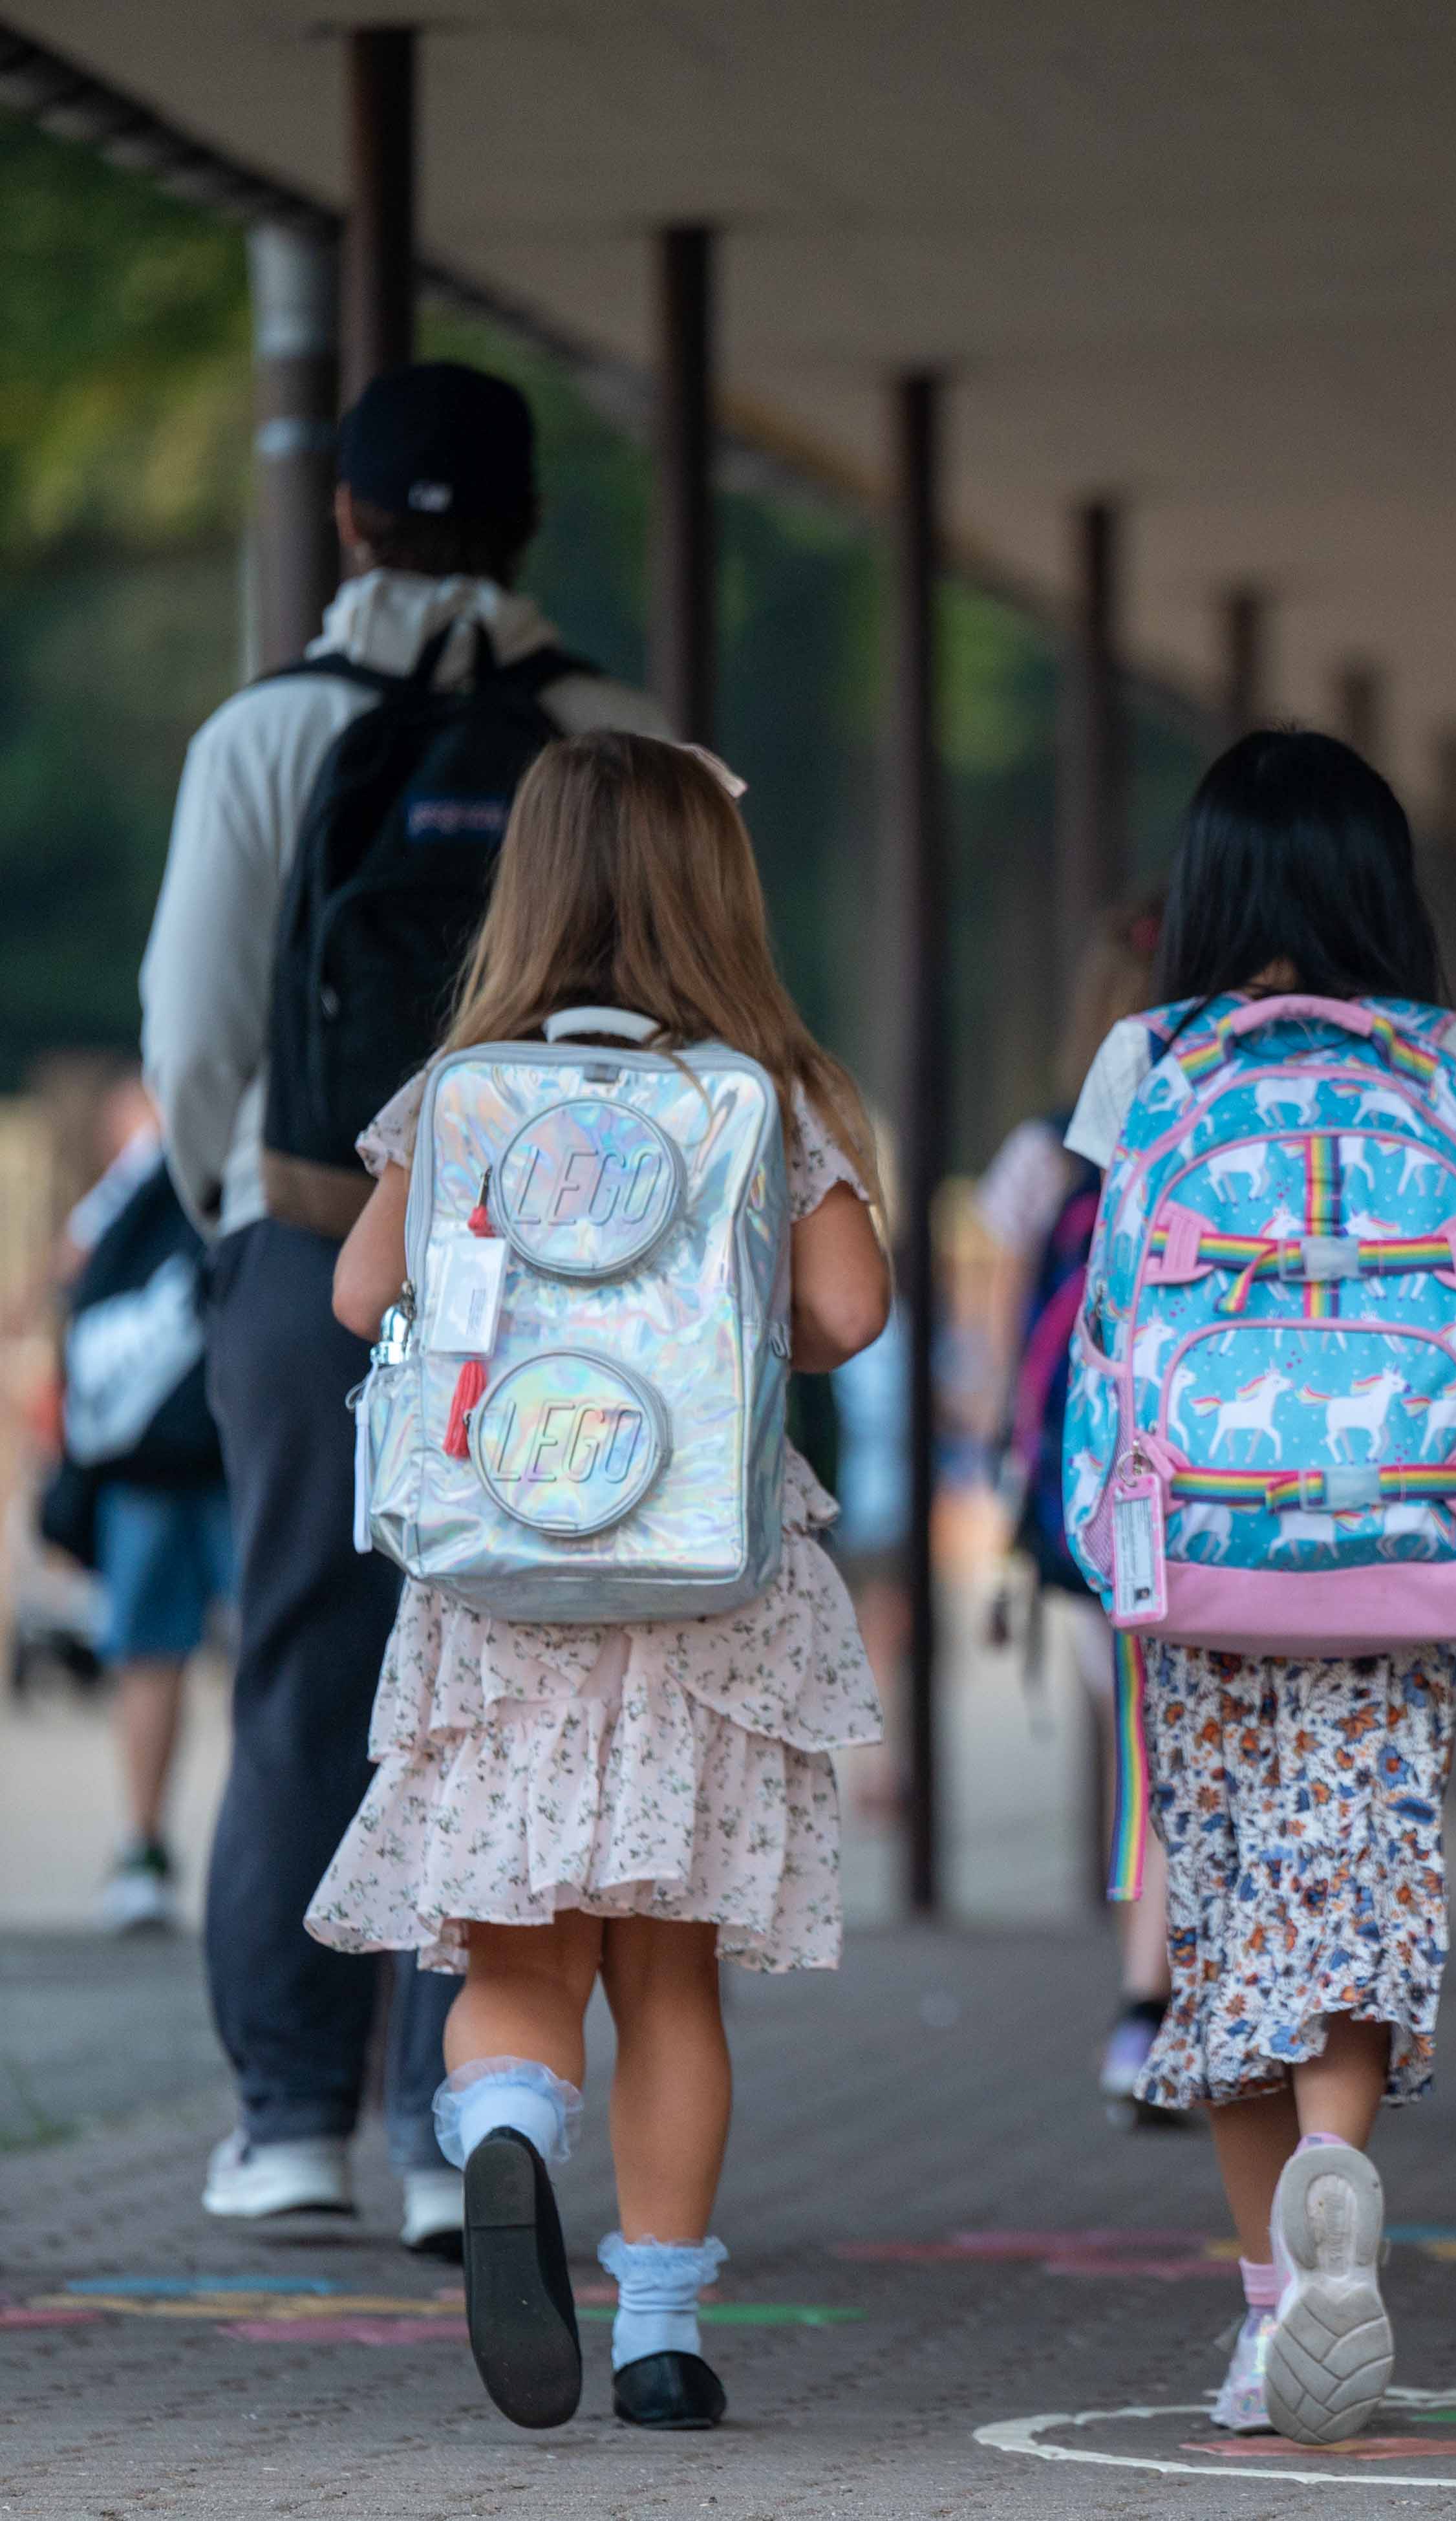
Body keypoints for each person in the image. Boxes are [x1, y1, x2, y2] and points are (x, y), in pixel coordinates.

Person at [140, 362, 670, 2249]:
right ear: (526, 522)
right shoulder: (613, 732)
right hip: (575, 1284)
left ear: (351, 518)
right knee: (503, 1696)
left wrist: (250, 1224)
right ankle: (468, 2121)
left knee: (301, 1669)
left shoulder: (266, 736)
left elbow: (195, 1031)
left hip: (315, 1250)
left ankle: (290, 2116)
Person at [308, 732, 890, 2432]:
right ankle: (658, 2334)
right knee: (666, 1970)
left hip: (507, 1574)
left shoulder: (464, 1089)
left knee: (516, 1947)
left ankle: (500, 2138)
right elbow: (847, 1314)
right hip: (707, 1579)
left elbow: (359, 1295)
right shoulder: (767, 1092)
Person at [1062, 729, 1456, 2439]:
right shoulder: (1450, 1057)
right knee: (1342, 1903)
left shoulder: (1148, 1056)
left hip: (1200, 1560)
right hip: (1392, 1558)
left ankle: (1271, 2316)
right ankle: (1337, 2170)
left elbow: (1107, 1283)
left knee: (1220, 1928)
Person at [975, 899, 1177, 2116]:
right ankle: (1175, 1993)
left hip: (1096, 1501)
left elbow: (1013, 1353)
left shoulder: (1043, 1152)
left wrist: (1015, 1479)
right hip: (1231, 1487)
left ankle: (1143, 2006)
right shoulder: (1220, 1122)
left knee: (1146, 1758)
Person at [59, 1077, 232, 1933]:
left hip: (163, 1456)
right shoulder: (232, 1139)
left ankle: (150, 1848)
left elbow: (70, 1268)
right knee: (225, 1656)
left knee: (157, 1657)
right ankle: (168, 1847)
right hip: (208, 1447)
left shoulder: (143, 1170)